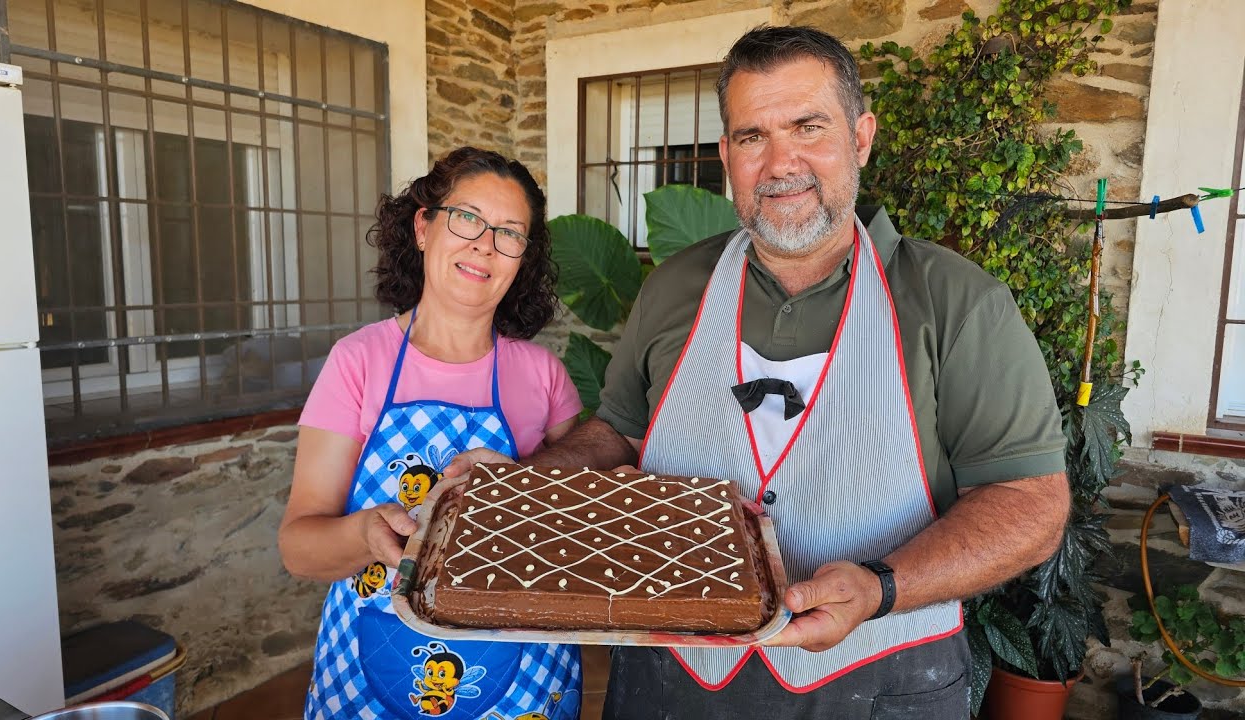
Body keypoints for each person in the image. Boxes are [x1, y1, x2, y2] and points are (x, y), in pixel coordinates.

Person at [446, 25, 1071, 719]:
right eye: (752, 137)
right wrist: (515, 486)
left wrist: (881, 587)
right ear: (725, 155)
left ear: (861, 137)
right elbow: (618, 435)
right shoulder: (674, 285)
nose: (781, 163)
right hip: (671, 672)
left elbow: (1030, 502)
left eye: (809, 127)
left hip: (881, 680)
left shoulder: (955, 301)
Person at [279, 146, 583, 720]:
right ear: (424, 226)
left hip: (522, 672)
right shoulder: (358, 362)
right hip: (372, 663)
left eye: (510, 233)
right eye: (467, 218)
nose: (484, 245)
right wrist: (366, 532)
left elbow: (579, 531)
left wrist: (525, 495)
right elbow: (299, 547)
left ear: (523, 258)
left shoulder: (543, 377)